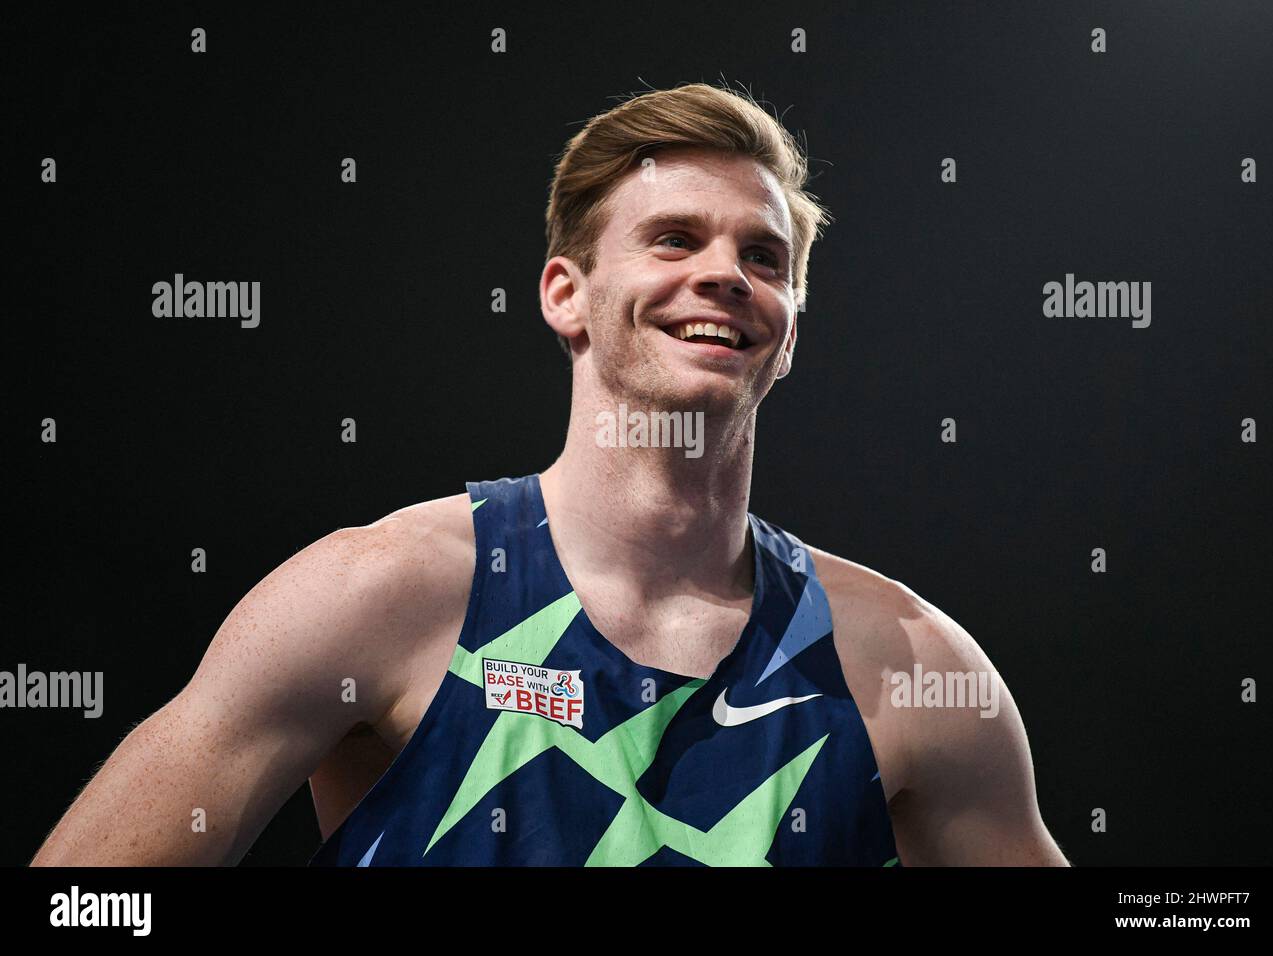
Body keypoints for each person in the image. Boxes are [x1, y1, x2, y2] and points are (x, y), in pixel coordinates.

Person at [31, 82, 1069, 866]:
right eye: (674, 238)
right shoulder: (375, 596)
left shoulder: (909, 666)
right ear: (565, 294)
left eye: (764, 258)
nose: (724, 273)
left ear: (788, 331)